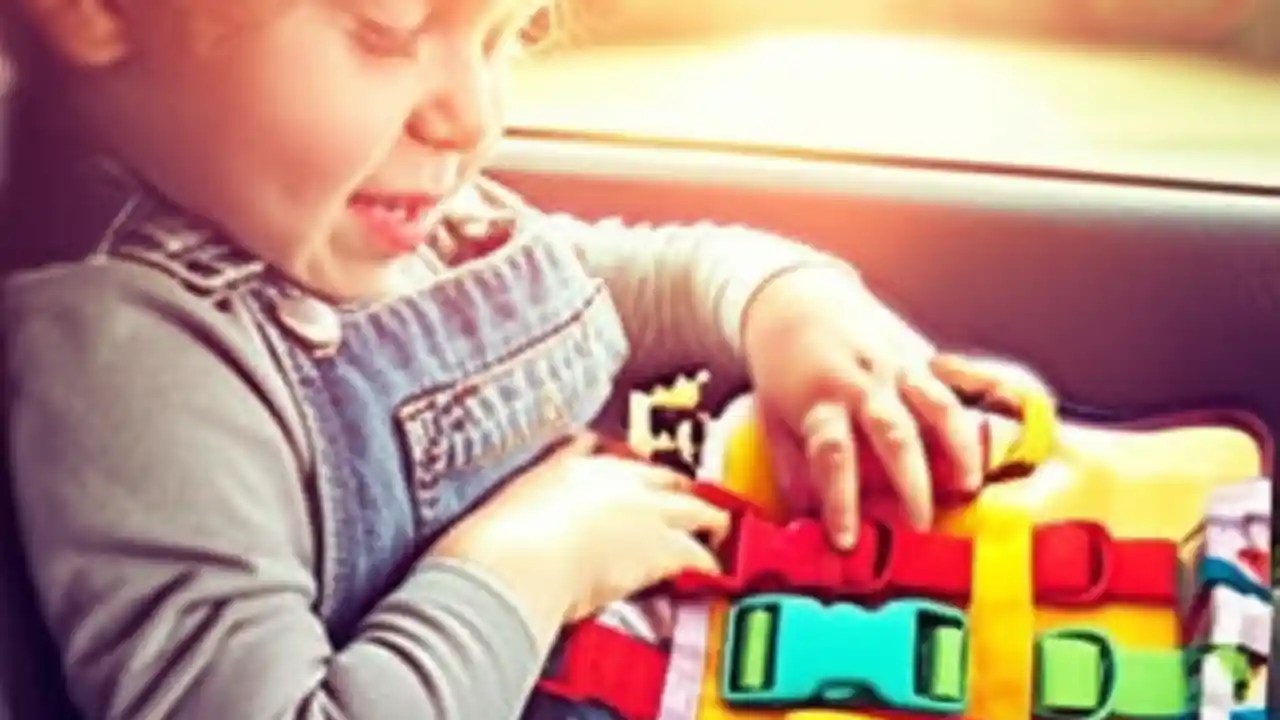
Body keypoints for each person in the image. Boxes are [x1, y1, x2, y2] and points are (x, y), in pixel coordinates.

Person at [0, 1, 1041, 717]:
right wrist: (523, 567)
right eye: (386, 29)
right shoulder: (128, 361)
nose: (475, 115)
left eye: (510, 33)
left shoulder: (345, 217)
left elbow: (609, 279)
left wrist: (781, 301)